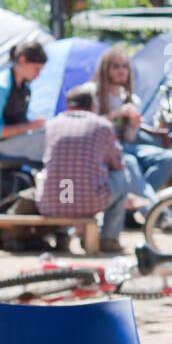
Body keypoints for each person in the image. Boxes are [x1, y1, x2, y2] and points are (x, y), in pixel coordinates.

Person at [36, 84, 130, 254]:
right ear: (92, 106)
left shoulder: (52, 125)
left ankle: (62, 234)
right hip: (89, 201)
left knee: (64, 180)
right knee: (122, 175)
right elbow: (117, 162)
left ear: (68, 105)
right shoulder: (102, 125)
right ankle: (109, 238)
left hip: (53, 202)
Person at [91, 46, 172, 198]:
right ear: (106, 69)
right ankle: (153, 210)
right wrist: (115, 114)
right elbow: (88, 124)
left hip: (126, 146)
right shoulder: (93, 93)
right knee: (130, 162)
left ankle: (135, 204)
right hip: (102, 149)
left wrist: (133, 125)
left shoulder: (132, 99)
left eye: (125, 66)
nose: (121, 71)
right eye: (116, 66)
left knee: (169, 159)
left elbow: (130, 139)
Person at [0, 40, 48, 164]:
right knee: (53, 143)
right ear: (22, 60)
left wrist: (36, 125)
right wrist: (28, 126)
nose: (38, 74)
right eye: (36, 69)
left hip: (18, 139)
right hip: (5, 145)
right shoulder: (0, 87)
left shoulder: (24, 87)